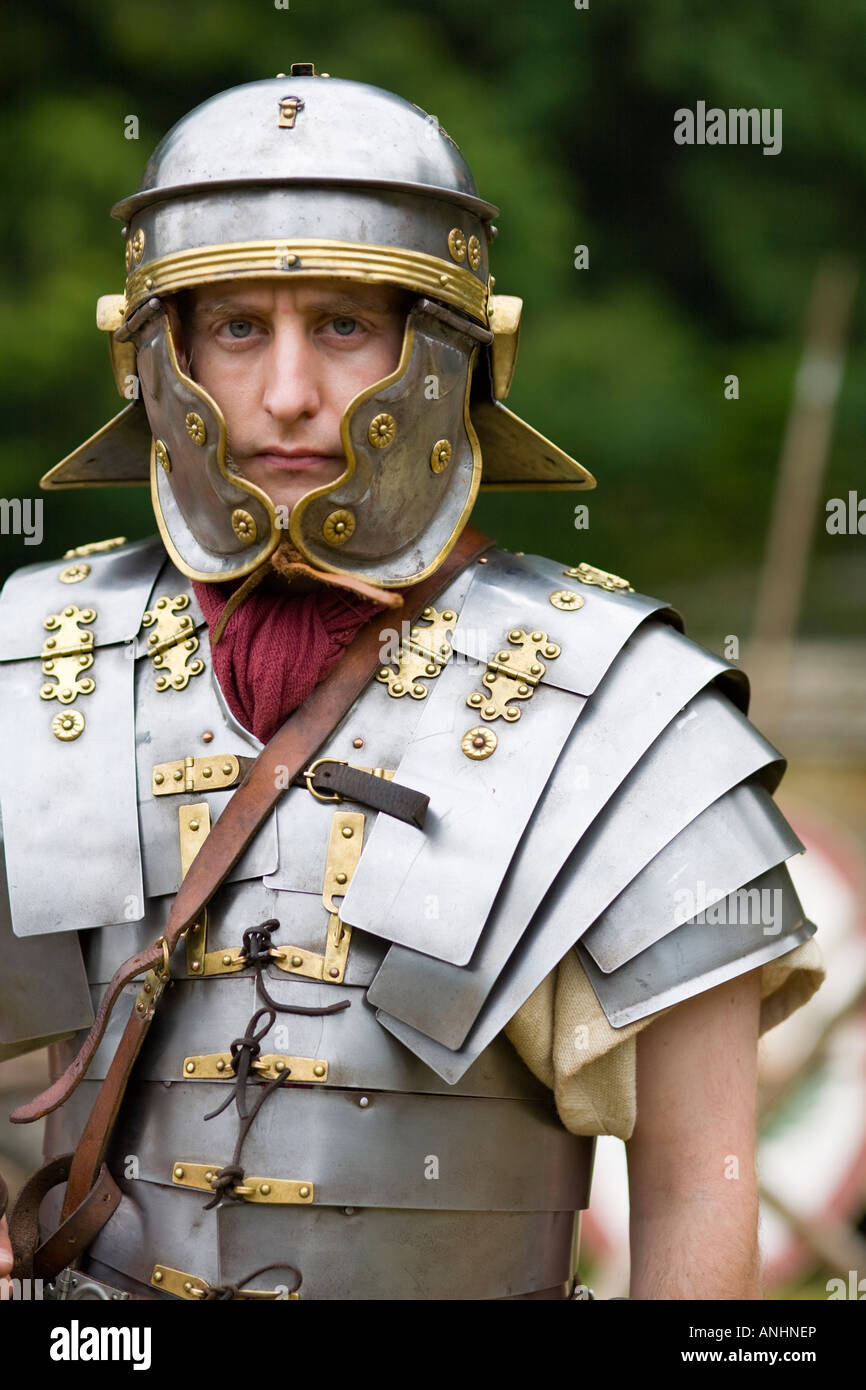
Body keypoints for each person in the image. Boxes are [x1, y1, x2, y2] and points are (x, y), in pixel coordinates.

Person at [0, 64, 824, 1301]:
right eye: (235, 327)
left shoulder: (624, 711)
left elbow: (696, 1214)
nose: (286, 395)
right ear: (157, 360)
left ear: (448, 352)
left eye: (343, 326)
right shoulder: (32, 664)